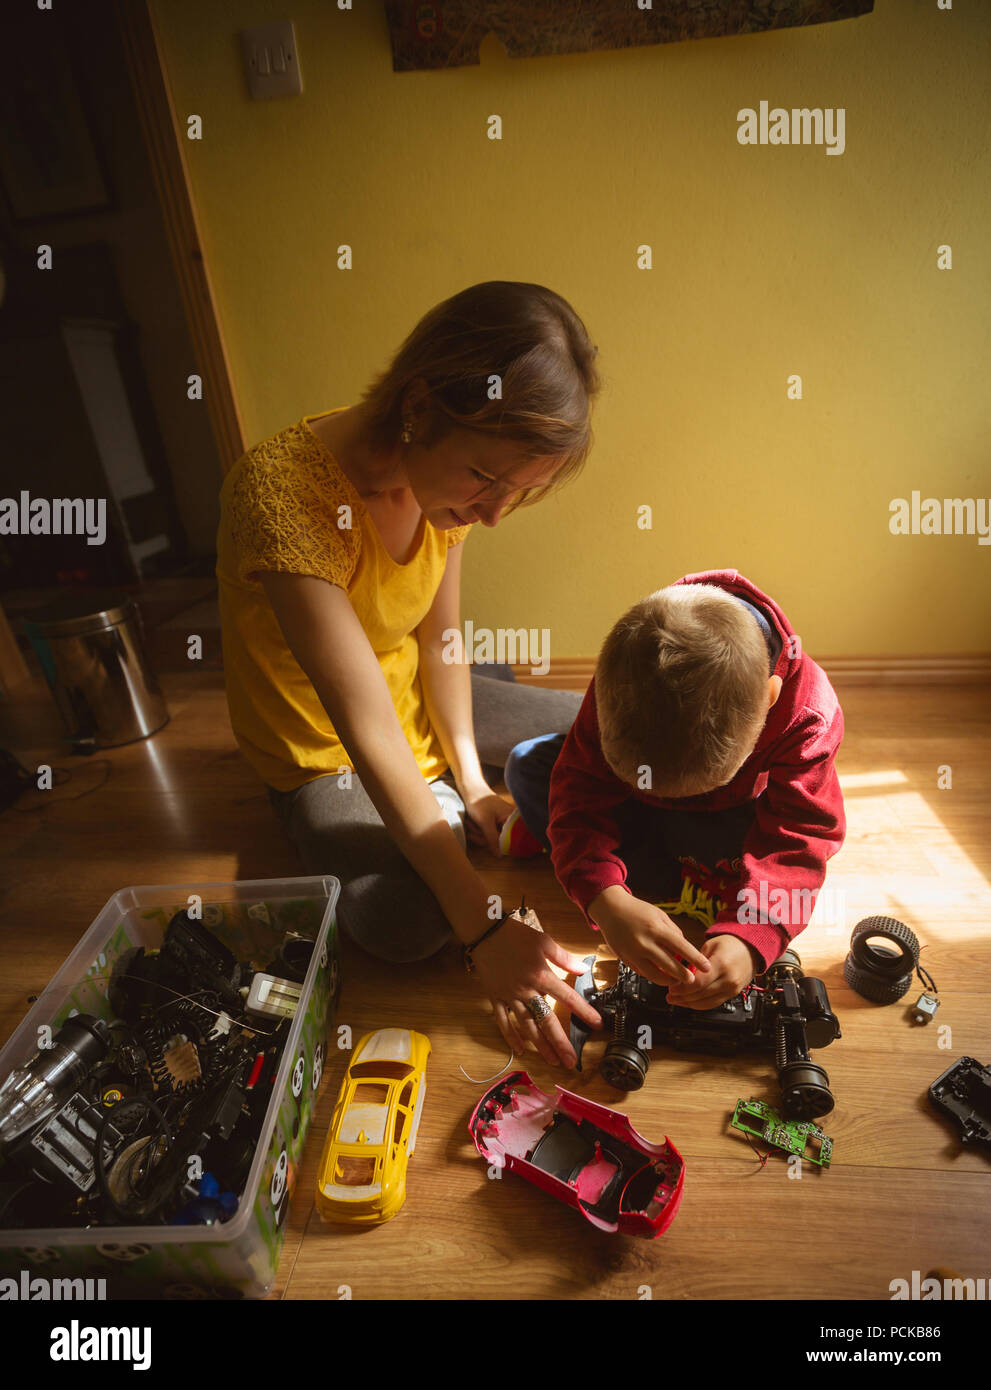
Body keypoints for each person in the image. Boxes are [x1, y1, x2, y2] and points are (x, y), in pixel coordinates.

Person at [215, 281, 604, 1066]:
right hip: (325, 751)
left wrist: (472, 782)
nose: (494, 514)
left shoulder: (444, 487)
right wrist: (489, 926)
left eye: (517, 494)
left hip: (415, 691)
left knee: (602, 729)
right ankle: (435, 827)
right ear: (419, 408)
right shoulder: (283, 496)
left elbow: (441, 642)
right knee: (405, 923)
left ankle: (455, 799)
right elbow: (362, 727)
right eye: (486, 482)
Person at [504, 570, 846, 1007]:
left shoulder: (810, 712)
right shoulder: (624, 673)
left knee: (756, 859)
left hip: (726, 820)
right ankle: (615, 864)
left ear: (771, 696)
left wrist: (752, 933)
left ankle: (575, 850)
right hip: (637, 808)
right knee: (528, 764)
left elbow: (801, 835)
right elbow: (579, 782)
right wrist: (605, 901)